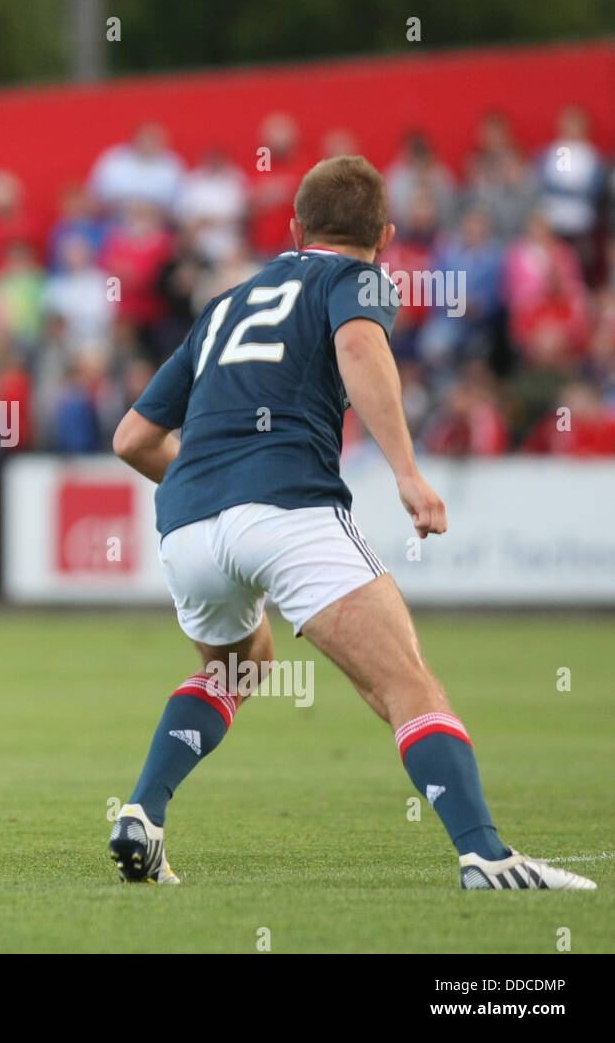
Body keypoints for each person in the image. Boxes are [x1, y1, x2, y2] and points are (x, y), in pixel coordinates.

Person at [108, 156, 595, 891]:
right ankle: (486, 856)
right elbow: (361, 345)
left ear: (297, 228)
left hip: (187, 527)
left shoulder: (223, 305)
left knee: (238, 668)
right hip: (288, 509)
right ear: (386, 236)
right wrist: (406, 469)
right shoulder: (357, 279)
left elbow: (131, 440)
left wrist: (210, 486)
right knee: (409, 684)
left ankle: (142, 810)